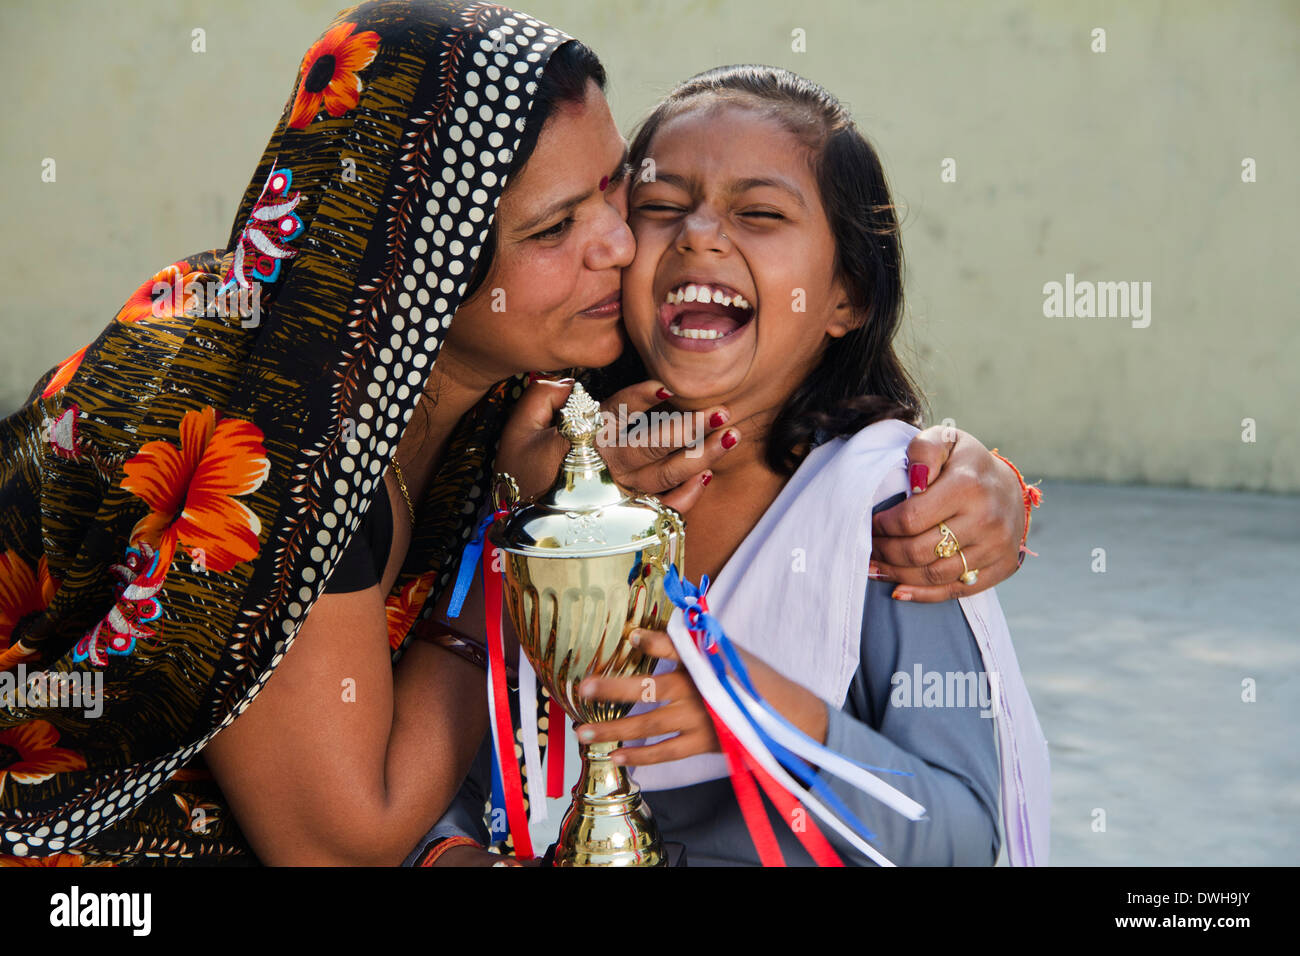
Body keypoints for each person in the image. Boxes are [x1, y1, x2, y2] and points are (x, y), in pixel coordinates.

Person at [0, 2, 1030, 867]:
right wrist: (507, 541)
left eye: (614, 193)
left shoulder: (565, 401)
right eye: (557, 229)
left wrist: (973, 494)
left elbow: (958, 824)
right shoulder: (281, 434)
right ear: (418, 270)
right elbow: (350, 836)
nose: (631, 243)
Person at [420, 64, 1049, 867]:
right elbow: (434, 763)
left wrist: (747, 710)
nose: (698, 235)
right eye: (658, 207)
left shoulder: (895, 515)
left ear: (847, 295)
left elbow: (962, 836)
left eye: (758, 213)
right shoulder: (543, 469)